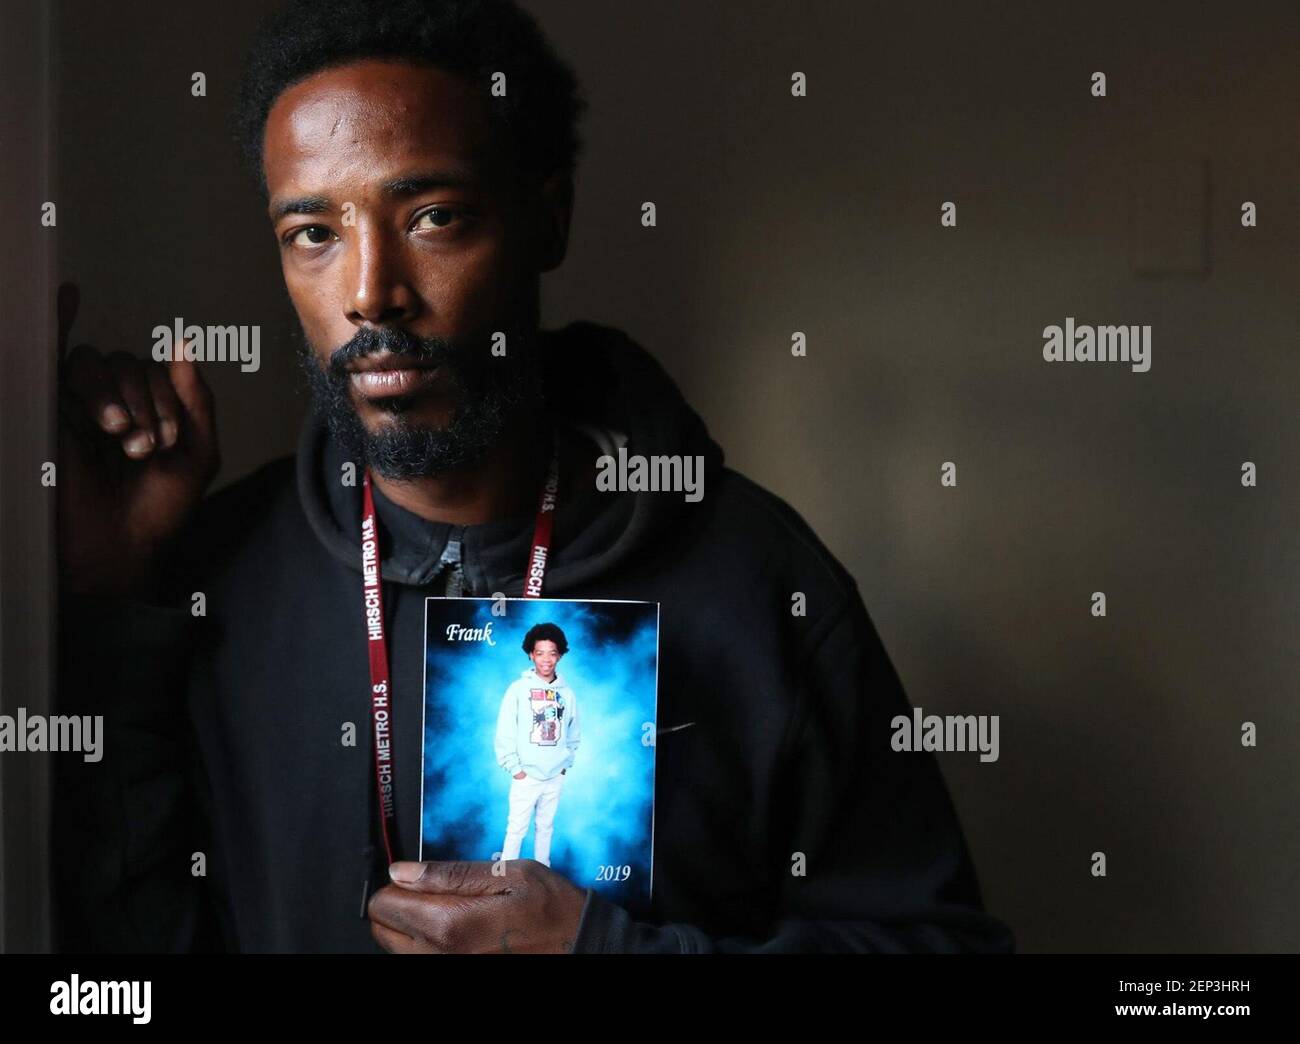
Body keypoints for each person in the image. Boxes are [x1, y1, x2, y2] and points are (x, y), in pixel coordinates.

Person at [53, 0, 1015, 954]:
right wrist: (118, 599)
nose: (367, 292)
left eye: (433, 217)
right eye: (314, 232)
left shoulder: (760, 582)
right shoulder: (212, 581)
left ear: (546, 216)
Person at [494, 623, 580, 868]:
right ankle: (506, 882)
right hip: (527, 775)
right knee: (516, 829)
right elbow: (505, 730)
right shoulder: (518, 689)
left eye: (552, 653)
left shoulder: (568, 694)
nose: (546, 659)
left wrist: (566, 762)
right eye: (540, 653)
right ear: (531, 654)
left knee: (546, 827)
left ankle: (544, 878)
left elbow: (574, 731)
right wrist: (515, 769)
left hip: (555, 775)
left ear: (560, 655)